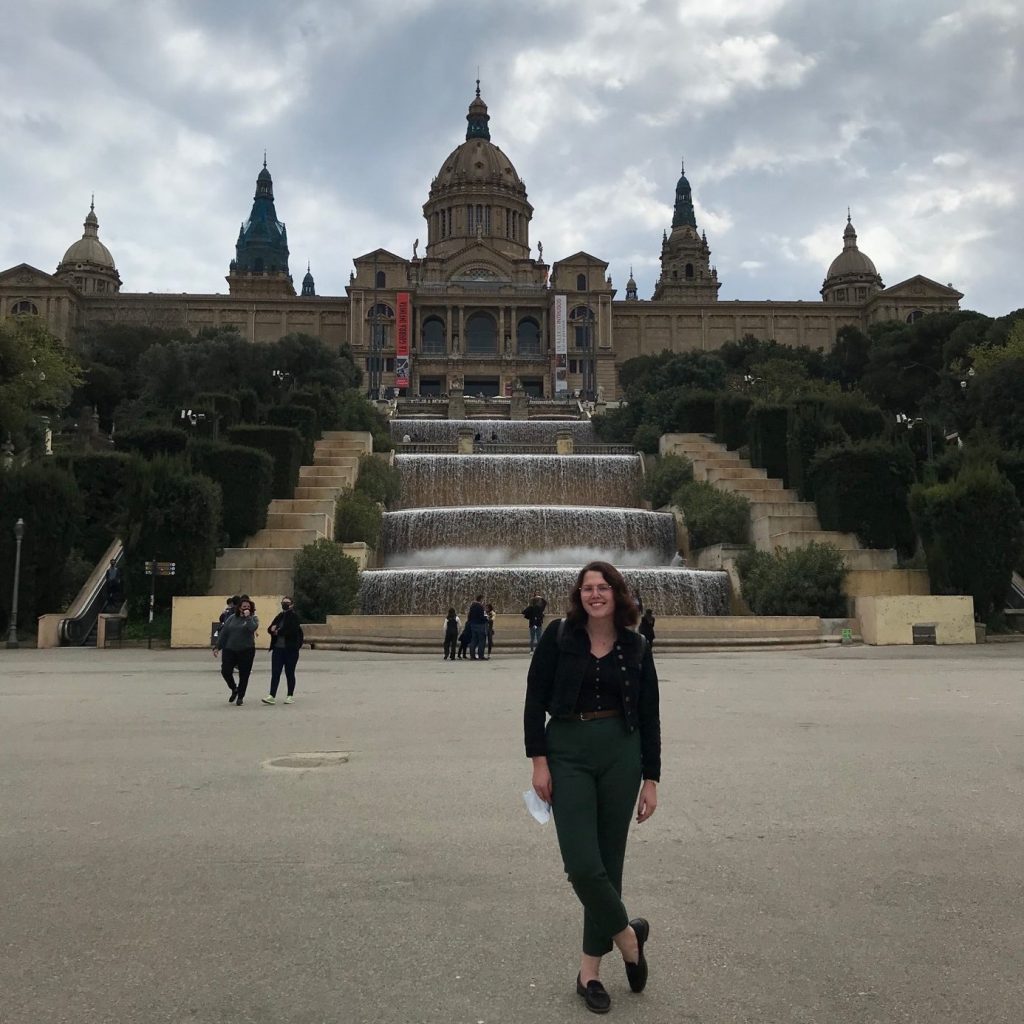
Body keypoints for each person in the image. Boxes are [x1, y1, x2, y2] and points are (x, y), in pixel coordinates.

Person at [524, 561, 660, 1014]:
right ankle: (628, 938)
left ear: (617, 594)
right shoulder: (559, 636)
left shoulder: (636, 645)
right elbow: (533, 701)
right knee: (583, 866)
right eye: (588, 588)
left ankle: (589, 974)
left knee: (609, 864)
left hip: (621, 752)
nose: (595, 595)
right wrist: (538, 762)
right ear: (578, 595)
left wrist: (652, 780)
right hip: (568, 751)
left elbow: (651, 715)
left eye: (603, 587)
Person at [215, 597, 259, 706]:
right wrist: (217, 647)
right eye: (244, 606)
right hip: (230, 649)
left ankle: (240, 696)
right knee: (225, 671)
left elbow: (252, 628)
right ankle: (234, 688)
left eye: (248, 607)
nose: (246, 608)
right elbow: (224, 633)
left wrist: (248, 617)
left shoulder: (253, 618)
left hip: (246, 650)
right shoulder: (231, 618)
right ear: (239, 608)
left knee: (244, 674)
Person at [262, 597, 303, 705]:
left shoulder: (294, 616)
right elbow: (270, 627)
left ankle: (290, 695)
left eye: (287, 603)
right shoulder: (280, 616)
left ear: (292, 604)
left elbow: (291, 630)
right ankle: (272, 695)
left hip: (290, 650)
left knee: (290, 672)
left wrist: (277, 632)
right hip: (278, 649)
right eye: (283, 602)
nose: (285, 604)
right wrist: (272, 630)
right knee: (275, 672)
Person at [467, 594, 488, 661]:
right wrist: (486, 619)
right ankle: (480, 656)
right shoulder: (480, 607)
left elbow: (469, 616)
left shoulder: (472, 606)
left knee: (474, 640)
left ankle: (472, 656)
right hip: (480, 625)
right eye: (483, 599)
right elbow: (481, 617)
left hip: (473, 625)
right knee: (482, 640)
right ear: (481, 599)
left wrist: (470, 623)